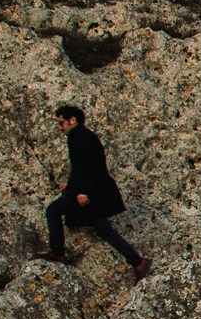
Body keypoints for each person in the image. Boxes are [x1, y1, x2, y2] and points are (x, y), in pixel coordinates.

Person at [46, 104, 150, 278]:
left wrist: (81, 191)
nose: (60, 127)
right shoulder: (82, 135)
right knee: (102, 227)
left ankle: (58, 252)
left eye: (62, 123)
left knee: (52, 211)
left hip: (91, 191)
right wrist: (70, 186)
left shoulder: (80, 136)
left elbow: (87, 166)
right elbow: (81, 167)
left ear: (73, 120)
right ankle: (138, 263)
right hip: (95, 190)